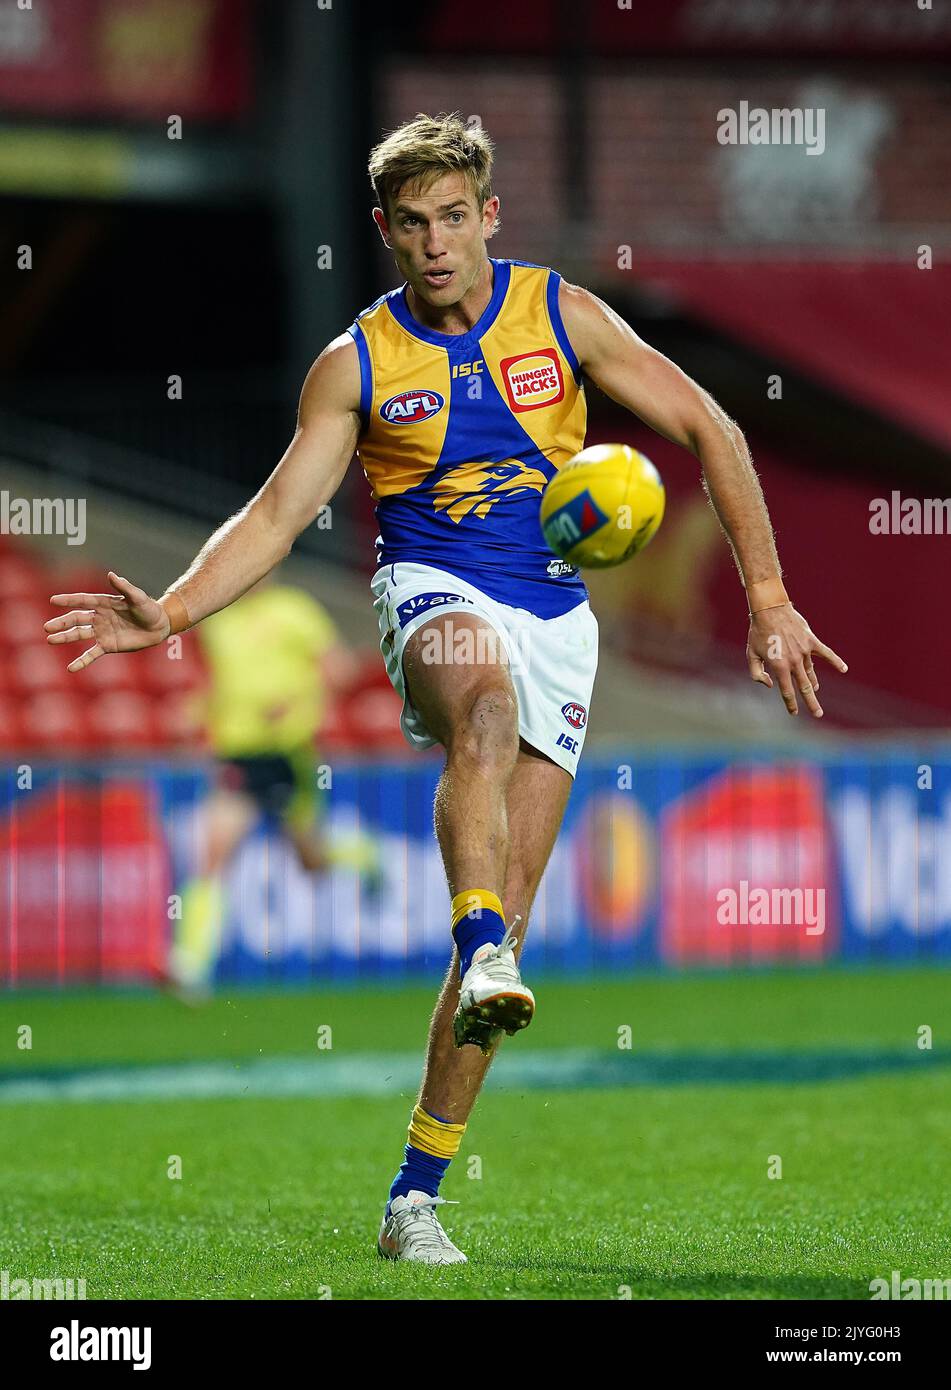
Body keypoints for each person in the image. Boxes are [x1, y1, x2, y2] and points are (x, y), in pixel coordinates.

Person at [45, 112, 847, 1266]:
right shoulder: (358, 363)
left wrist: (767, 594)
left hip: (560, 620)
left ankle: (413, 1192)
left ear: (489, 218)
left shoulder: (562, 314)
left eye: (454, 219)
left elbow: (711, 424)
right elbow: (277, 515)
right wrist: (170, 609)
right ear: (384, 231)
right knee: (482, 710)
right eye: (412, 224)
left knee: (502, 950)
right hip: (431, 586)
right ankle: (481, 934)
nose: (436, 243)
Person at [168, 572, 376, 994]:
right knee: (212, 854)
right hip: (239, 755)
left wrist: (297, 703)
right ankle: (189, 964)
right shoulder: (217, 621)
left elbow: (340, 669)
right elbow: (218, 684)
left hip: (288, 753)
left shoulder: (294, 609)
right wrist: (196, 712)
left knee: (310, 861)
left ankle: (367, 857)